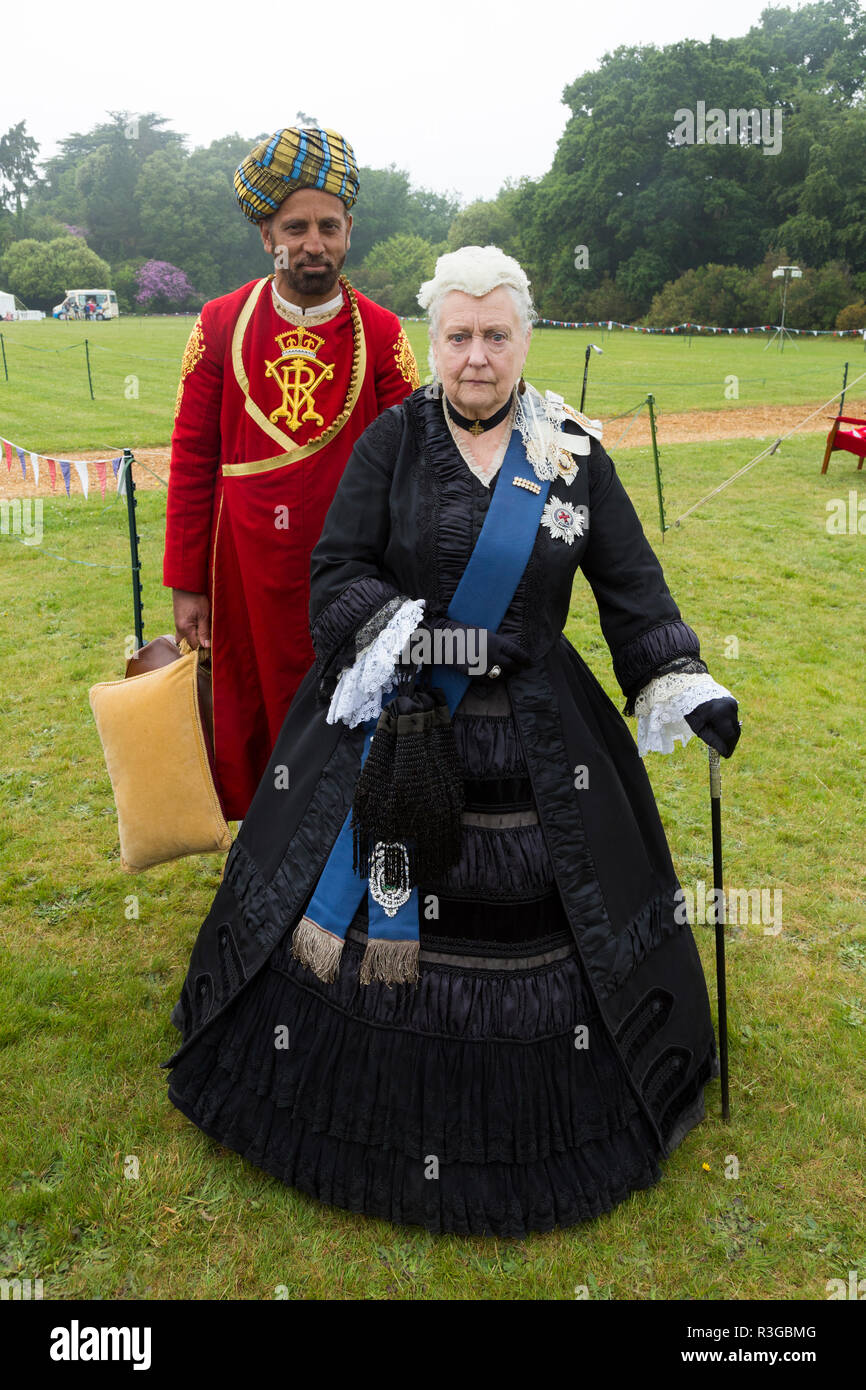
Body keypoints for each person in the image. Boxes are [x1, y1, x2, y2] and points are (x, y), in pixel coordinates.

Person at [164, 245, 741, 1238]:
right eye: (458, 335)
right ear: (433, 342)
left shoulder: (570, 452)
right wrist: (402, 630)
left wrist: (675, 673)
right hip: (401, 720)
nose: (476, 355)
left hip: (535, 726)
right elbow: (335, 566)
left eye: (495, 335)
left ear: (525, 339)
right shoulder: (390, 441)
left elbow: (629, 585)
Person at [163, 125, 420, 819]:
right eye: (296, 226)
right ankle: (266, 856)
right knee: (256, 713)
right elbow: (191, 456)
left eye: (328, 227)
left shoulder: (386, 333)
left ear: (349, 231)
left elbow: (414, 467)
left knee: (351, 708)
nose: (314, 243)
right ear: (267, 234)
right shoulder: (218, 325)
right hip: (245, 573)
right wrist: (188, 583)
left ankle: (341, 860)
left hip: (355, 573)